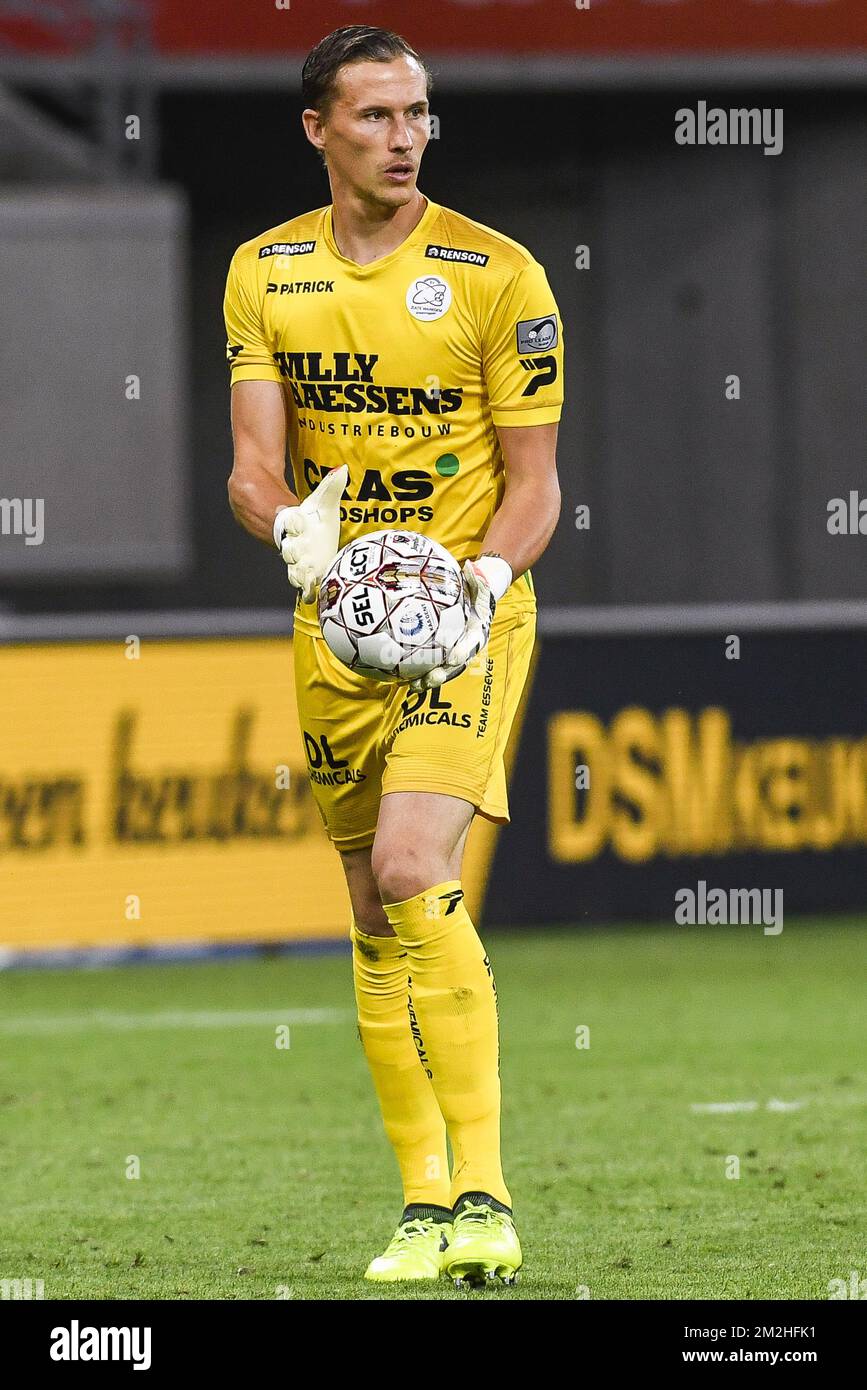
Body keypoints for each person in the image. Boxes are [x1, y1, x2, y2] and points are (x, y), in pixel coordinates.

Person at [224, 24, 563, 1287]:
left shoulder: (500, 274)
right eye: (374, 116)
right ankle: (423, 1204)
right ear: (318, 130)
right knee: (372, 914)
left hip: (466, 615)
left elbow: (537, 487)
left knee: (421, 864)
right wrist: (292, 528)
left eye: (418, 113)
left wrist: (485, 574)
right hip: (335, 619)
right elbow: (256, 470)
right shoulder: (265, 273)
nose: (405, 136)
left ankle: (486, 1192)